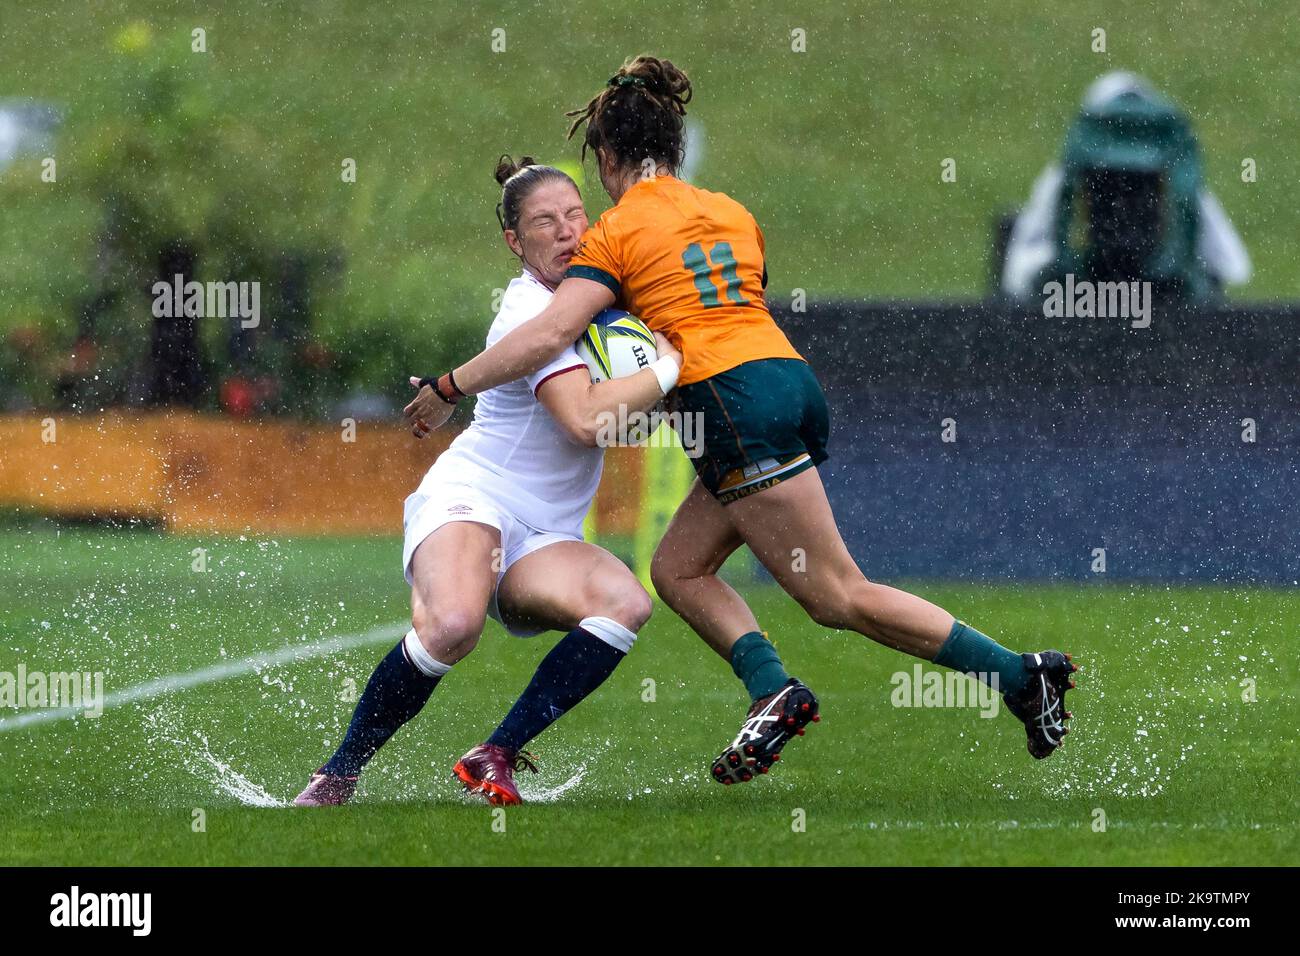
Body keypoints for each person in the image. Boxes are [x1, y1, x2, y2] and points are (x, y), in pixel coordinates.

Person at [405, 57, 1077, 784]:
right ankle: (772, 690)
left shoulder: (615, 232)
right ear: (676, 145)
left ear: (606, 157)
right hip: (788, 380)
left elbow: (544, 335)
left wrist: (449, 384)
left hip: (732, 402)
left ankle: (1018, 675)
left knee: (835, 594)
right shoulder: (730, 211)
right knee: (678, 568)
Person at [295, 155, 681, 806]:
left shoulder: (612, 300)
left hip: (545, 532)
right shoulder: (529, 311)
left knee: (627, 603)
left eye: (574, 216)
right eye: (543, 223)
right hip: (474, 496)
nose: (565, 231)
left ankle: (496, 752)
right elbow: (586, 423)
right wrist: (668, 368)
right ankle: (339, 772)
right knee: (452, 626)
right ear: (515, 242)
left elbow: (629, 415)